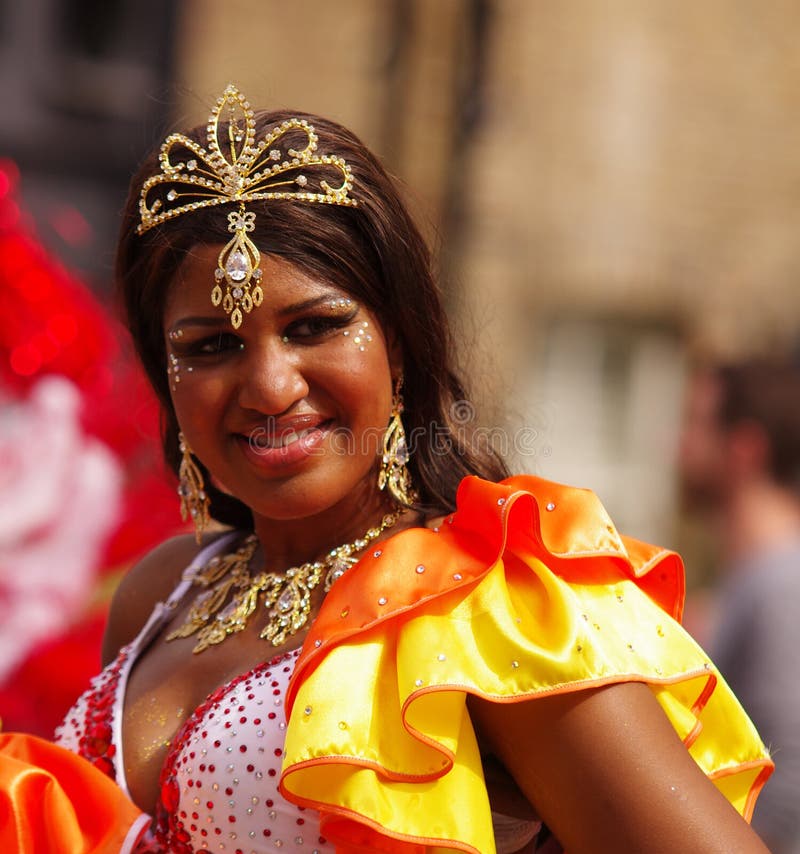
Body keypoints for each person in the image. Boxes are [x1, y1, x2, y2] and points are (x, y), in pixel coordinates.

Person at [2, 85, 772, 853]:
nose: (270, 386)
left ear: (398, 342)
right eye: (210, 345)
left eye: (315, 327)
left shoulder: (486, 605)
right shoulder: (161, 592)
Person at [680, 359, 800, 854]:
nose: (677, 443)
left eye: (696, 422)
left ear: (745, 449)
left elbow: (791, 786)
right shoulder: (751, 584)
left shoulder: (778, 586)